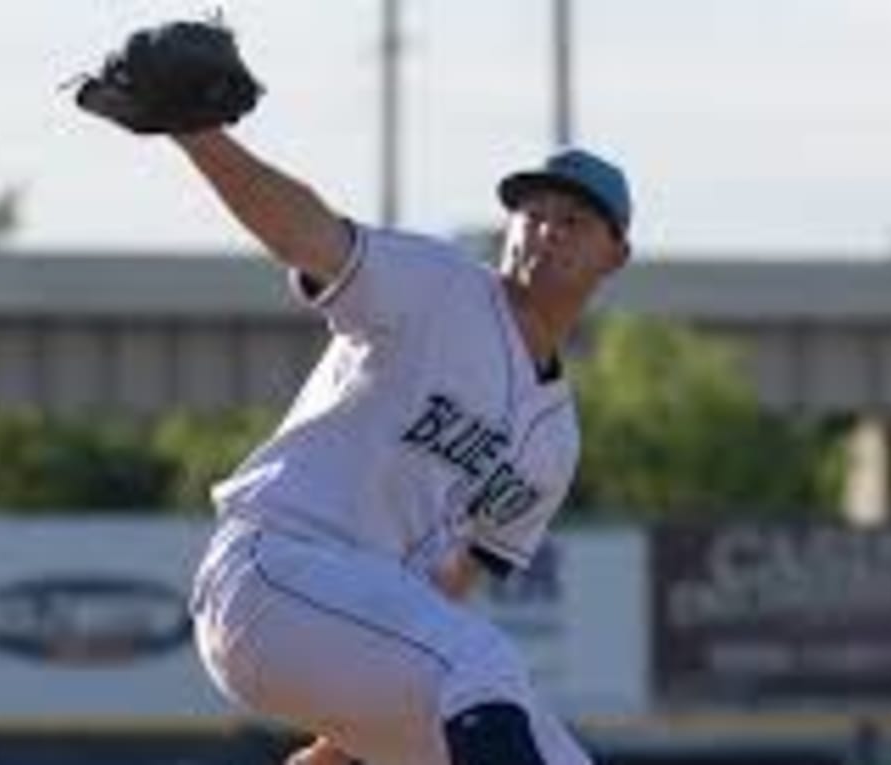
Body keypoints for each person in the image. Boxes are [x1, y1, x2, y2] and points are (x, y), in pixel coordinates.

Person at [182, 124, 632, 765]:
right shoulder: (438, 288)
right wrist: (196, 133)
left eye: (573, 220)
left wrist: (343, 743)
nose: (546, 230)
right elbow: (305, 234)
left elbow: (437, 597)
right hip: (270, 570)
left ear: (616, 255)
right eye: (531, 214)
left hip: (346, 620)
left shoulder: (554, 441)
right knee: (483, 661)